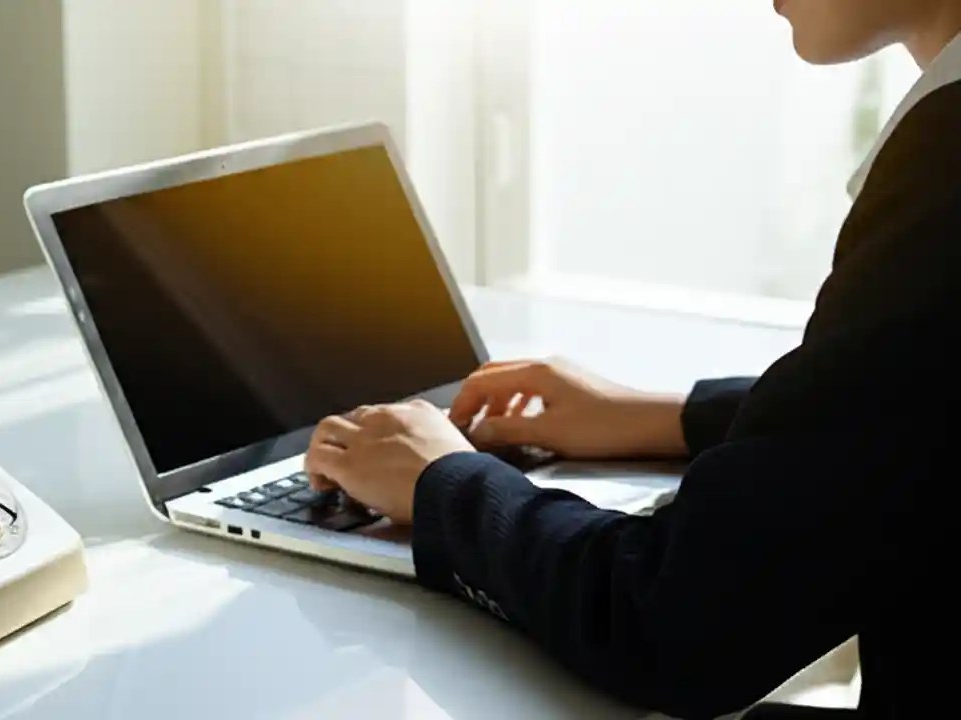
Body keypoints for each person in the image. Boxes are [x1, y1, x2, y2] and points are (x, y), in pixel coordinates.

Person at [304, 2, 961, 719]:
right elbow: (909, 411)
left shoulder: (948, 170)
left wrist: (445, 484)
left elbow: (676, 626)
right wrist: (668, 419)